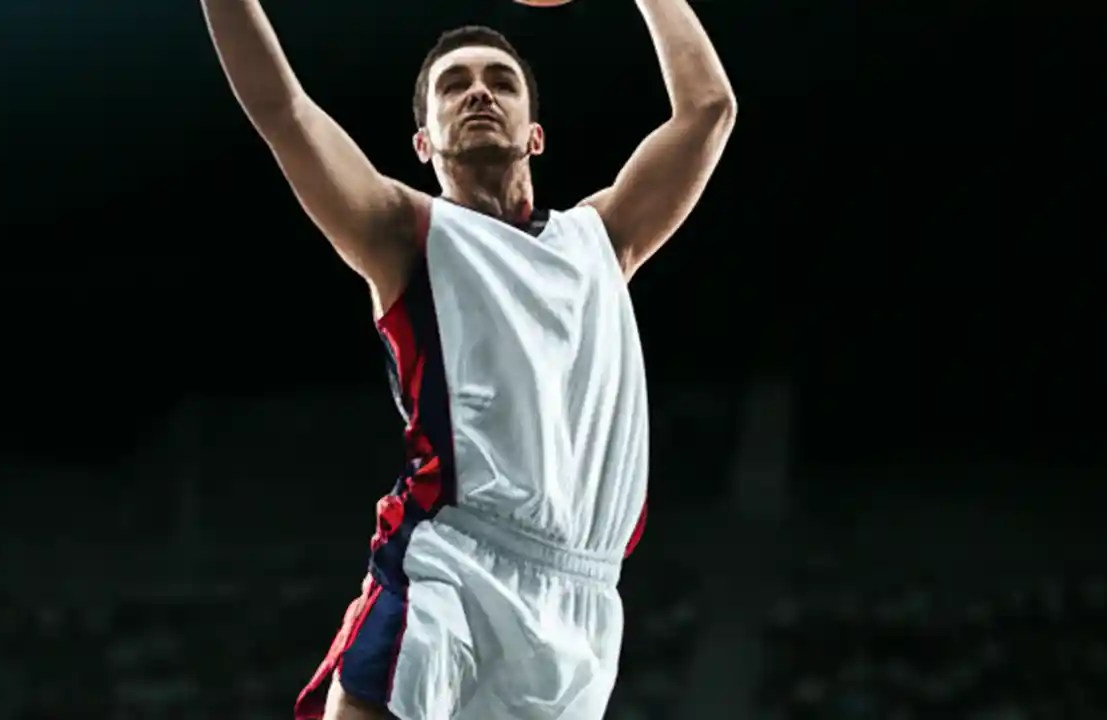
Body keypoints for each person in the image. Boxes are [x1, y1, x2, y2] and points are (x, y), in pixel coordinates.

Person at [199, 1, 735, 717]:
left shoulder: (604, 239)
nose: (480, 91)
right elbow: (282, 109)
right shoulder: (404, 231)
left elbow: (707, 109)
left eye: (501, 82)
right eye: (454, 85)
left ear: (535, 135)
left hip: (585, 605)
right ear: (423, 142)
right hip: (452, 565)